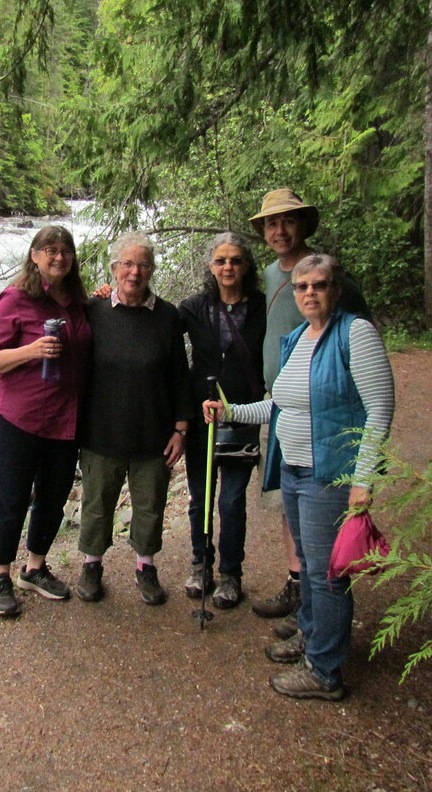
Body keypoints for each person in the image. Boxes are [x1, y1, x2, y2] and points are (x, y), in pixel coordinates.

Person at [204, 253, 394, 700]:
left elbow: (380, 408)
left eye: (320, 285)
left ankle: (325, 671)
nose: (310, 293)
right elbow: (278, 404)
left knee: (328, 574)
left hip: (330, 472)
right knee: (308, 565)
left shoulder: (355, 333)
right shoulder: (297, 338)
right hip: (293, 468)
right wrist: (231, 411)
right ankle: (312, 635)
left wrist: (363, 480)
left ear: (336, 289)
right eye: (302, 286)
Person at [249, 188, 372, 632]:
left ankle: (320, 615)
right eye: (270, 223)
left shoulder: (328, 274)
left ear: (303, 225)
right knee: (290, 501)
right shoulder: (263, 275)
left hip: (326, 413)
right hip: (280, 406)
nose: (279, 230)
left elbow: (359, 335)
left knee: (319, 507)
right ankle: (298, 587)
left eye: (287, 221)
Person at [0, 226, 92, 617]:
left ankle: (36, 567)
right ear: (34, 255)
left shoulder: (78, 301)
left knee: (54, 497)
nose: (58, 257)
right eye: (50, 250)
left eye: (65, 251)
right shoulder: (15, 298)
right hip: (17, 417)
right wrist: (30, 350)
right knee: (12, 499)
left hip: (65, 418)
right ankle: (0, 575)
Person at [76, 232, 192, 606]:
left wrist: (180, 428)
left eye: (143, 264)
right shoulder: (93, 311)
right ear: (113, 268)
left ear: (152, 270)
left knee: (150, 505)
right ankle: (92, 565)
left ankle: (145, 566)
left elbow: (179, 375)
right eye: (127, 263)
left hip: (153, 431)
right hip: (100, 431)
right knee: (96, 504)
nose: (134, 271)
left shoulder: (168, 316)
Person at [177, 233, 265, 609]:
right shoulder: (195, 307)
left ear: (247, 266)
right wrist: (108, 298)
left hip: (244, 414)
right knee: (200, 498)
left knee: (230, 500)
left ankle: (231, 573)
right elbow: (155, 325)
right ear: (210, 267)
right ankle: (201, 564)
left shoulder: (264, 307)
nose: (227, 267)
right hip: (202, 417)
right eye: (220, 261)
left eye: (235, 260)